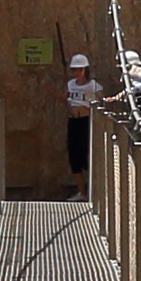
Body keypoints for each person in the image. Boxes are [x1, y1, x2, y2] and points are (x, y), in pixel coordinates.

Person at [63, 45, 95, 186]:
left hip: (86, 122)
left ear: (85, 70)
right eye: (74, 70)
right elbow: (65, 99)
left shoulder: (93, 85)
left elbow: (100, 98)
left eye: (80, 70)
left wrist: (87, 98)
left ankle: (93, 190)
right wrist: (49, 90)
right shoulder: (70, 84)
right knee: (73, 159)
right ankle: (82, 192)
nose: (77, 72)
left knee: (85, 156)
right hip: (73, 122)